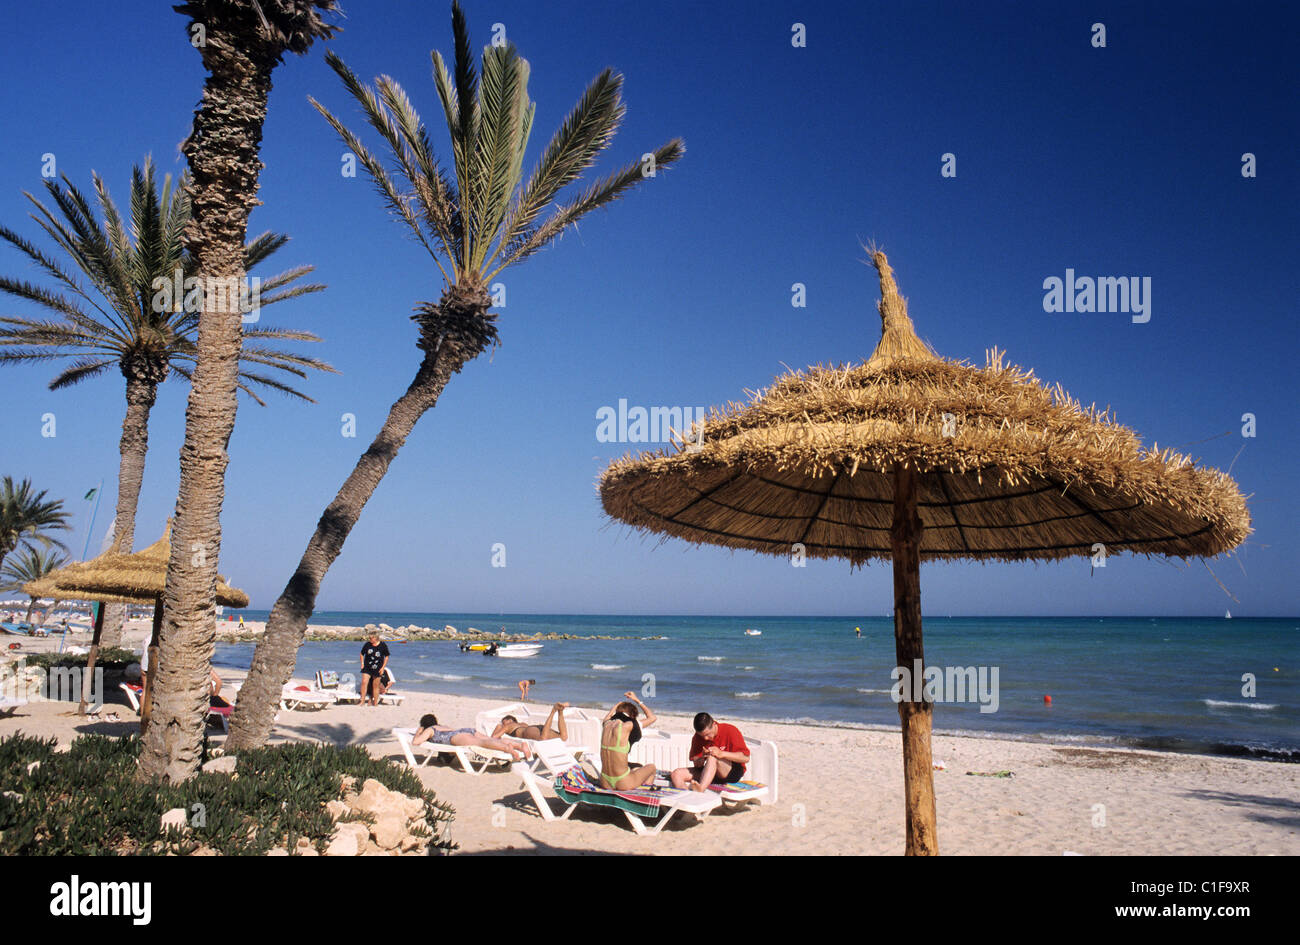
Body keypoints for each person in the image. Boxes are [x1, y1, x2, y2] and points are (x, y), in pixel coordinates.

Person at [670, 713, 750, 792]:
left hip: (731, 772)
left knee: (712, 756)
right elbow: (696, 762)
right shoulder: (697, 737)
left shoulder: (730, 730)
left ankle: (701, 789)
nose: (705, 738)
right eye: (702, 736)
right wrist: (701, 759)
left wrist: (722, 754)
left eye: (707, 734)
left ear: (714, 724)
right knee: (676, 774)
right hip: (709, 773)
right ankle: (687, 797)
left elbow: (745, 758)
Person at [598, 692, 658, 790]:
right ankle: (644, 794)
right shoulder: (628, 725)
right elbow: (652, 718)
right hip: (623, 783)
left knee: (636, 767)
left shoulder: (606, 724)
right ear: (632, 716)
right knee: (651, 768)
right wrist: (637, 700)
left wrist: (616, 706)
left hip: (605, 781)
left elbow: (608, 717)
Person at [412, 713, 532, 761]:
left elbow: (416, 742)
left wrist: (420, 730)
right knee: (490, 739)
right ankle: (520, 745)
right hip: (465, 731)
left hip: (454, 737)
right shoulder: (442, 726)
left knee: (481, 743)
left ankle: (508, 749)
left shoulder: (430, 729)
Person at [493, 702, 568, 741]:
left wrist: (498, 727)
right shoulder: (522, 723)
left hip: (530, 731)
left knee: (543, 738)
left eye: (503, 722)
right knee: (563, 737)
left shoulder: (509, 725)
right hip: (538, 728)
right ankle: (560, 712)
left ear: (510, 720)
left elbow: (494, 737)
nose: (502, 724)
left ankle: (553, 711)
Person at [359, 632, 390, 706]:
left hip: (378, 668)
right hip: (367, 667)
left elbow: (387, 656)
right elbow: (361, 654)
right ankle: (362, 701)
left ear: (375, 638)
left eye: (371, 638)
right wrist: (362, 663)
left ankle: (375, 702)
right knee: (364, 682)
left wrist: (383, 667)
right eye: (369, 638)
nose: (369, 639)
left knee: (375, 685)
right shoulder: (367, 644)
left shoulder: (383, 645)